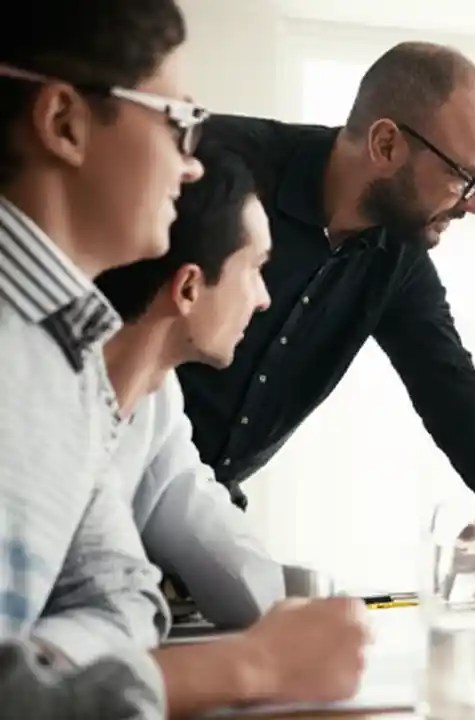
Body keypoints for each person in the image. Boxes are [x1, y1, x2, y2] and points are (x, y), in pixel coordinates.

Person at [185, 41, 475, 622]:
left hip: (200, 511)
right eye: (463, 177)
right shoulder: (213, 168)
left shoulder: (396, 255)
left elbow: (453, 390)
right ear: (385, 144)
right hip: (106, 472)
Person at [0, 3, 367, 717]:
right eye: (178, 122)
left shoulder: (68, 361)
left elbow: (121, 594)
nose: (191, 162)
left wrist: (40, 673)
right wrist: (250, 664)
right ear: (64, 123)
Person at [95, 148, 280, 629]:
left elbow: (204, 526)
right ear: (189, 288)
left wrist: (295, 611)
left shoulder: (158, 398)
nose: (264, 299)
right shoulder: (40, 397)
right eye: (255, 268)